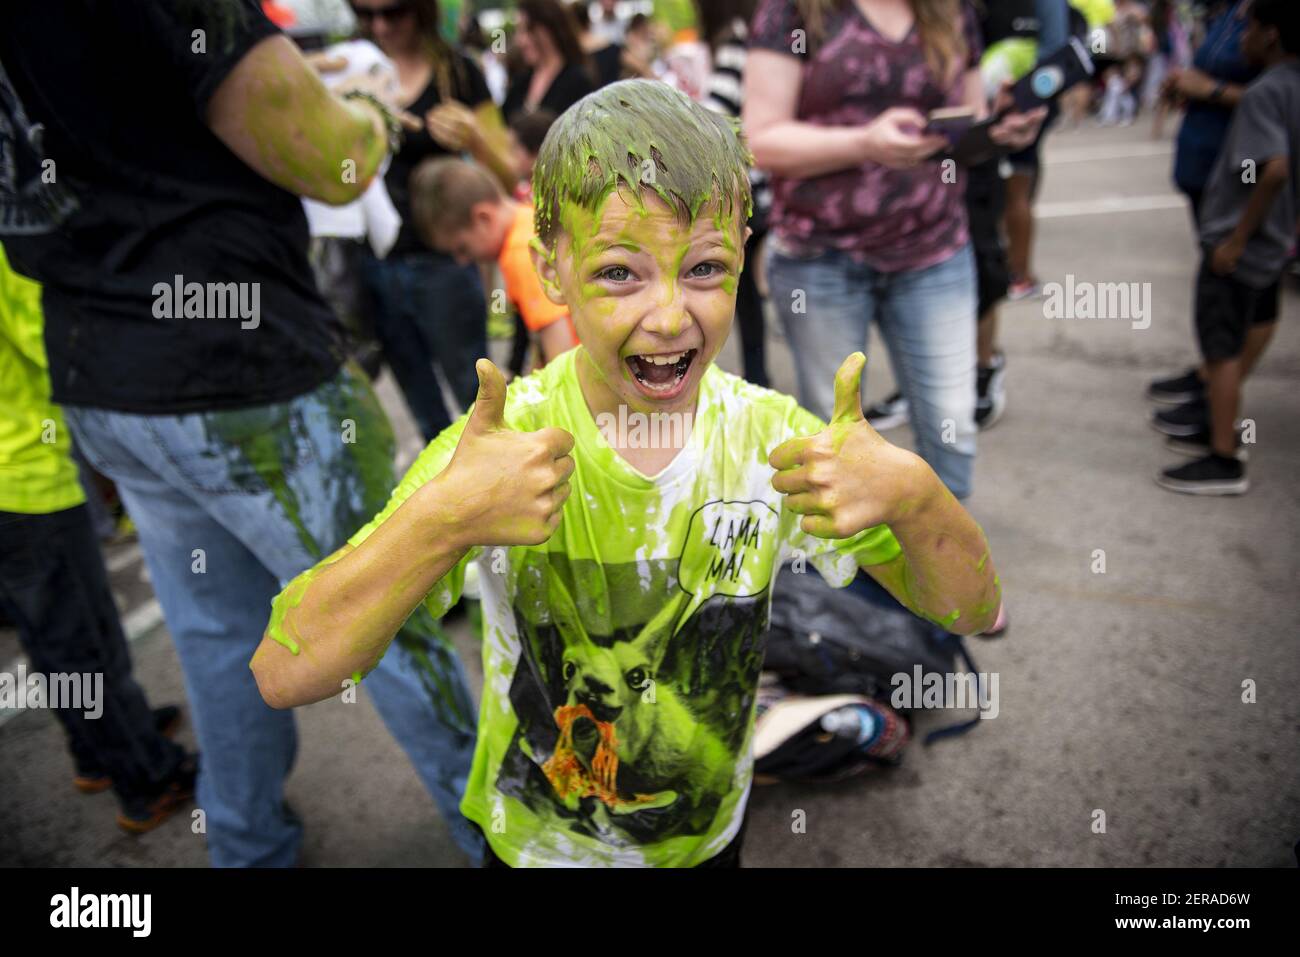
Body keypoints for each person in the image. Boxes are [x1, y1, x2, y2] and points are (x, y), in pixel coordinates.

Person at [249, 80, 1003, 867]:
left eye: (706, 267)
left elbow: (969, 609)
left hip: (708, 838)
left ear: (745, 251)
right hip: (536, 849)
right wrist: (445, 521)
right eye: (619, 273)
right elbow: (285, 670)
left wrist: (916, 495)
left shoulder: (774, 443)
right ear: (551, 270)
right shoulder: (499, 452)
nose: (672, 315)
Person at [0, 0, 480, 867]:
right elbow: (329, 159)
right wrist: (369, 108)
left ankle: (250, 843)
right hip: (241, 374)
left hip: (103, 370)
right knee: (388, 610)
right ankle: (499, 838)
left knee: (215, 629)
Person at [743, 0, 1045, 503]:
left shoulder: (952, 10)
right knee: (838, 434)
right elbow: (760, 139)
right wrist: (864, 142)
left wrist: (997, 131)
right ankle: (849, 571)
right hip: (820, 259)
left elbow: (961, 132)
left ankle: (941, 561)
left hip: (934, 249)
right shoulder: (793, 11)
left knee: (952, 427)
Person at [0, 246, 198, 833]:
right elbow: (51, 345)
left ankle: (97, 748)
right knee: (80, 636)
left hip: (14, 483)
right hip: (27, 479)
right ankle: (146, 775)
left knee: (50, 634)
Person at [351, 0, 513, 443]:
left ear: (420, 10)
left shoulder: (457, 73)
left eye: (393, 13)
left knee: (477, 402)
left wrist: (475, 140)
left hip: (445, 265)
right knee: (425, 415)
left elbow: (510, 175)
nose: (380, 26)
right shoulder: (350, 70)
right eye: (365, 15)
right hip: (374, 263)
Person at [1156, 0, 1298, 496]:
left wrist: (1236, 237)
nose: (1242, 37)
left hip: (1240, 244)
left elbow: (1273, 168)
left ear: (1272, 35)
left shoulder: (1263, 94)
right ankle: (1222, 424)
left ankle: (1223, 455)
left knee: (1221, 348)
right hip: (1274, 242)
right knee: (1246, 328)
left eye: (1251, 27)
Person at [1148, 0, 1270, 440]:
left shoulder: (1270, 35)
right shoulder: (1231, 11)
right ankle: (1211, 383)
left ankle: (1221, 427)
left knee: (1237, 302)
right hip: (1213, 183)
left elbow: (1274, 154)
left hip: (1240, 191)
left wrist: (1212, 90)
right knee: (1219, 303)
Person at [412, 158, 578, 366]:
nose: (462, 261)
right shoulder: (530, 216)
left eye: (463, 248)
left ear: (483, 218)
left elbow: (561, 349)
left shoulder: (520, 254)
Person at [698, 0, 773, 388]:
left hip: (744, 190)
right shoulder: (765, 39)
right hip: (765, 188)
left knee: (738, 289)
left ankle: (755, 374)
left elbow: (714, 114)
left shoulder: (737, 42)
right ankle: (758, 372)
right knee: (747, 293)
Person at [502, 0, 596, 122]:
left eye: (527, 30)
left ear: (550, 28)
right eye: (519, 31)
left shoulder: (577, 82)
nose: (520, 41)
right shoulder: (520, 82)